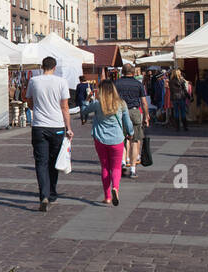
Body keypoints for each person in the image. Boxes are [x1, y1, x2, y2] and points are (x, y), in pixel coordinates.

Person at [26, 56, 74, 212]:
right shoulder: (61, 82)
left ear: (42, 66)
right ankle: (52, 194)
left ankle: (44, 195)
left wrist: (38, 109)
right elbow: (65, 107)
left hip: (39, 126)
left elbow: (29, 102)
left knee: (41, 162)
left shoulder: (34, 81)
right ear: (54, 67)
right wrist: (68, 128)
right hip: (57, 126)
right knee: (54, 161)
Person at [80, 79, 133, 205]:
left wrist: (87, 99)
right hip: (117, 139)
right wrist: (130, 133)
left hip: (101, 139)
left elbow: (83, 111)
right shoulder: (121, 104)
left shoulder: (98, 104)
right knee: (116, 167)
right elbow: (127, 122)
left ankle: (107, 196)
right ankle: (115, 187)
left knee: (105, 167)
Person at [114, 66, 150, 178]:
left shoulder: (116, 83)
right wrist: (146, 116)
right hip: (134, 112)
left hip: (120, 111)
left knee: (122, 138)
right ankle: (133, 169)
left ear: (122, 72)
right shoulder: (138, 84)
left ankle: (123, 161)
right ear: (133, 72)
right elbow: (144, 102)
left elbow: (112, 99)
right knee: (135, 140)